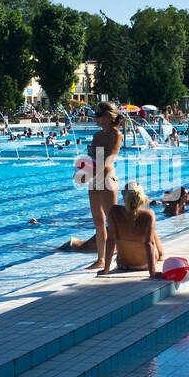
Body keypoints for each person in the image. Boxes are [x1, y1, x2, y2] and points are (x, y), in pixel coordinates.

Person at [86, 102, 124, 270]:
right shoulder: (97, 136)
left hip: (107, 179)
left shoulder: (116, 135)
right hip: (95, 180)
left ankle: (122, 256)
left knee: (112, 221)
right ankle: (101, 259)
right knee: (98, 220)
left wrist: (91, 173)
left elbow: (109, 159)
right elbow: (92, 159)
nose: (95, 118)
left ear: (108, 117)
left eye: (98, 115)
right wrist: (82, 173)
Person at [99, 183, 166, 278]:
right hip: (144, 264)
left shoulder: (114, 211)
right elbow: (149, 243)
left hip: (124, 265)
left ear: (123, 196)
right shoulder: (149, 214)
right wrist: (153, 272)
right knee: (151, 233)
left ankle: (160, 255)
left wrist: (106, 269)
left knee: (148, 232)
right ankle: (161, 255)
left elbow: (110, 240)